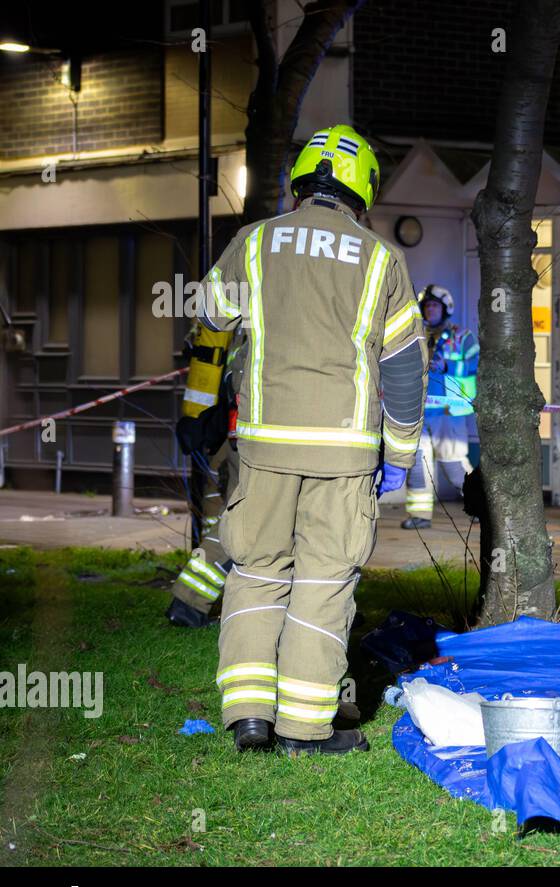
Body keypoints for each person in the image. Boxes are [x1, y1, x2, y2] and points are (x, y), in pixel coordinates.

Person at [200, 124, 426, 756]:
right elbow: (406, 367)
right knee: (324, 582)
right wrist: (402, 454)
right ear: (363, 192)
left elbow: (213, 314)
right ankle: (303, 728)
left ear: (301, 180)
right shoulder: (383, 258)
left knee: (256, 571)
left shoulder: (253, 241)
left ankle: (248, 715)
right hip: (345, 452)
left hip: (265, 445)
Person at [167, 329, 245, 627]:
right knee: (244, 517)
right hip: (253, 430)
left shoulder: (235, 296)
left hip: (233, 426)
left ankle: (195, 599)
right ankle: (189, 601)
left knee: (232, 513)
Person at [402, 284, 478, 528]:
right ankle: (420, 516)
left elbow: (476, 367)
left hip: (449, 413)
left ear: (445, 308)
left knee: (454, 468)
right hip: (418, 412)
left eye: (434, 305)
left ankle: (482, 508)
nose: (429, 309)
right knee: (416, 466)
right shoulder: (413, 337)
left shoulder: (463, 337)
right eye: (426, 305)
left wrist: (447, 367)